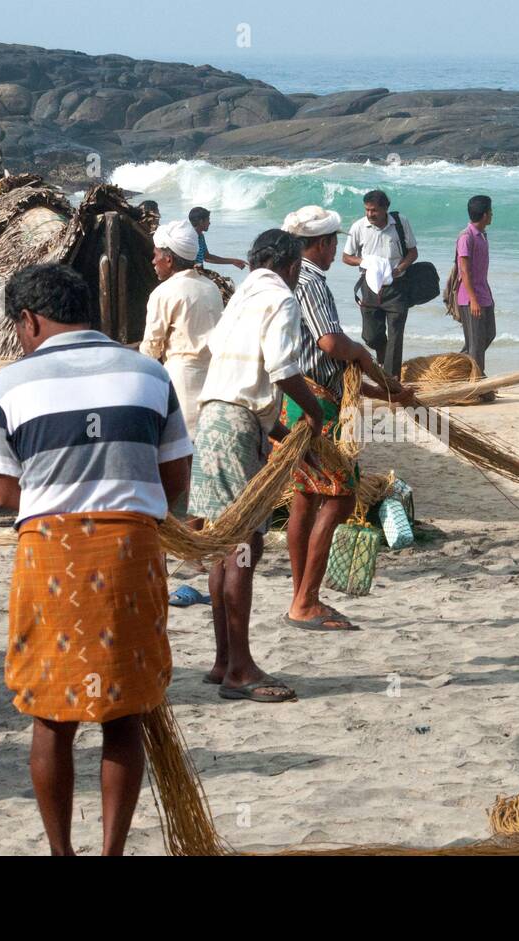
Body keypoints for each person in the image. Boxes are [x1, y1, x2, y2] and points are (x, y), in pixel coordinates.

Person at [0, 263, 193, 855]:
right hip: (131, 552)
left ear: (30, 319)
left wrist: (61, 504)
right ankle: (111, 853)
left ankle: (62, 854)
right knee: (124, 713)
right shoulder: (150, 374)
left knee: (52, 714)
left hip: (48, 553)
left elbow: (2, 492)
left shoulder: (11, 383)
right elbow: (174, 477)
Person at [189, 229, 323, 703]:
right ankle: (240, 671)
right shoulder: (281, 300)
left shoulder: (242, 297)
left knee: (228, 544)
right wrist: (315, 414)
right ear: (290, 266)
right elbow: (284, 370)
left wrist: (285, 439)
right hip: (237, 426)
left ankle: (224, 659)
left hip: (214, 422)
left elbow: (238, 380)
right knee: (243, 545)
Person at [278, 205, 412, 631]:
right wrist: (360, 351)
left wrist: (387, 391)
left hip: (297, 396)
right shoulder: (311, 281)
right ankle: (306, 601)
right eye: (333, 243)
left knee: (305, 496)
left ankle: (301, 593)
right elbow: (331, 343)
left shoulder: (285, 280)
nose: (335, 251)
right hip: (318, 405)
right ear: (323, 244)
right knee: (341, 495)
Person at [141, 220, 224, 454]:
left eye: (155, 255)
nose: (153, 261)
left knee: (181, 455)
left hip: (181, 383)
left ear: (169, 259)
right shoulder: (211, 288)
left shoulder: (164, 293)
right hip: (213, 382)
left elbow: (151, 351)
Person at [342, 189, 418, 377]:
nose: (370, 214)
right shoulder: (358, 227)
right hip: (369, 288)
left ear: (385, 209)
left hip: (397, 287)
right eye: (367, 210)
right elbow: (346, 257)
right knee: (371, 336)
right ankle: (384, 358)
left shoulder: (401, 223)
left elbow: (413, 253)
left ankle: (391, 381)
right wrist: (363, 262)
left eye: (374, 210)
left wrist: (400, 268)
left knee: (395, 335)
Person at [456, 195, 495, 376]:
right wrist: (473, 300)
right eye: (490, 211)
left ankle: (459, 367)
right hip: (470, 298)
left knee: (488, 335)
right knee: (476, 343)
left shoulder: (482, 236)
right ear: (485, 215)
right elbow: (464, 271)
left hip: (484, 295)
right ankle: (476, 382)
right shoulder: (467, 237)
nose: (492, 214)